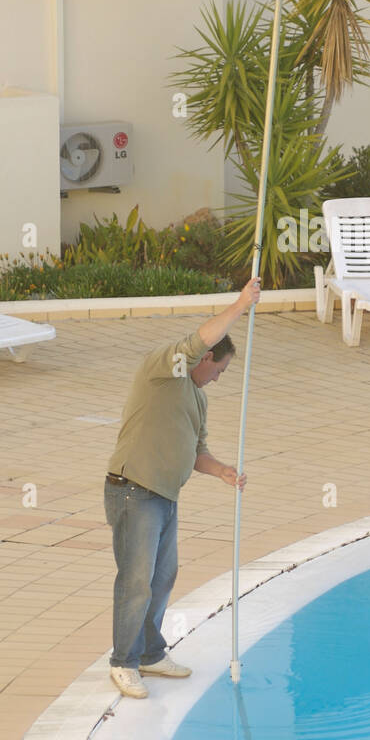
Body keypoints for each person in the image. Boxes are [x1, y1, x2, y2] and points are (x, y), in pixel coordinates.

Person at [103, 277, 261, 698]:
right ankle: (123, 662)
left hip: (164, 497)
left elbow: (196, 451)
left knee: (163, 576)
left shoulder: (197, 397)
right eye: (219, 370)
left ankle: (150, 653)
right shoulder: (164, 369)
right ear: (206, 358)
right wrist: (242, 303)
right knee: (136, 580)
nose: (219, 379)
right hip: (133, 490)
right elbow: (197, 339)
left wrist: (222, 470)